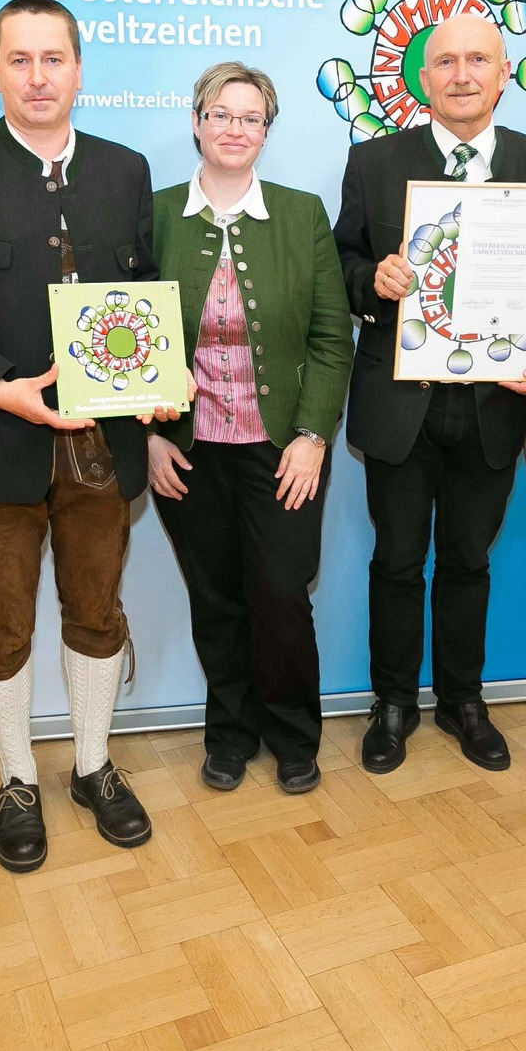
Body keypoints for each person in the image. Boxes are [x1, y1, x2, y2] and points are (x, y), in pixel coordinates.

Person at [0, 0, 184, 873]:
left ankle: (93, 765)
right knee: (4, 623)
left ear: (80, 68)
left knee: (96, 611)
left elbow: (143, 292)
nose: (38, 76)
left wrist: (156, 386)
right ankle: (18, 778)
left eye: (53, 58)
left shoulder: (124, 169)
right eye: (18, 60)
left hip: (103, 452)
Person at [335, 12, 526, 775]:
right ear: (422, 78)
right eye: (445, 62)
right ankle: (393, 701)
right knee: (397, 561)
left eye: (478, 60)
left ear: (503, 74)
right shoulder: (372, 162)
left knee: (469, 559)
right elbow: (339, 264)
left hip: (493, 406)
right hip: (402, 405)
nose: (462, 74)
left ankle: (465, 699)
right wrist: (374, 278)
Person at [147, 63, 353, 795]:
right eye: (222, 114)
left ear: (268, 130)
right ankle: (229, 734)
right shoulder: (157, 214)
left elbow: (334, 338)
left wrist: (313, 436)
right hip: (188, 451)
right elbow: (127, 335)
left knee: (279, 594)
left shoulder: (302, 215)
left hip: (283, 449)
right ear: (196, 120)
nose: (235, 128)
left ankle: (294, 735)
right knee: (216, 597)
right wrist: (149, 437)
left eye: (251, 117)